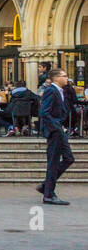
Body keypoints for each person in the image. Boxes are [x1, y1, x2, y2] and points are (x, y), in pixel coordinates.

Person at [39, 67, 74, 205]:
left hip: (58, 129)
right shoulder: (51, 91)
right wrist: (56, 127)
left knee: (69, 158)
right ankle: (48, 194)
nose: (66, 78)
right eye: (64, 76)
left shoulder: (60, 91)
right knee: (53, 162)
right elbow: (44, 112)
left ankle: (46, 186)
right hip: (54, 131)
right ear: (56, 78)